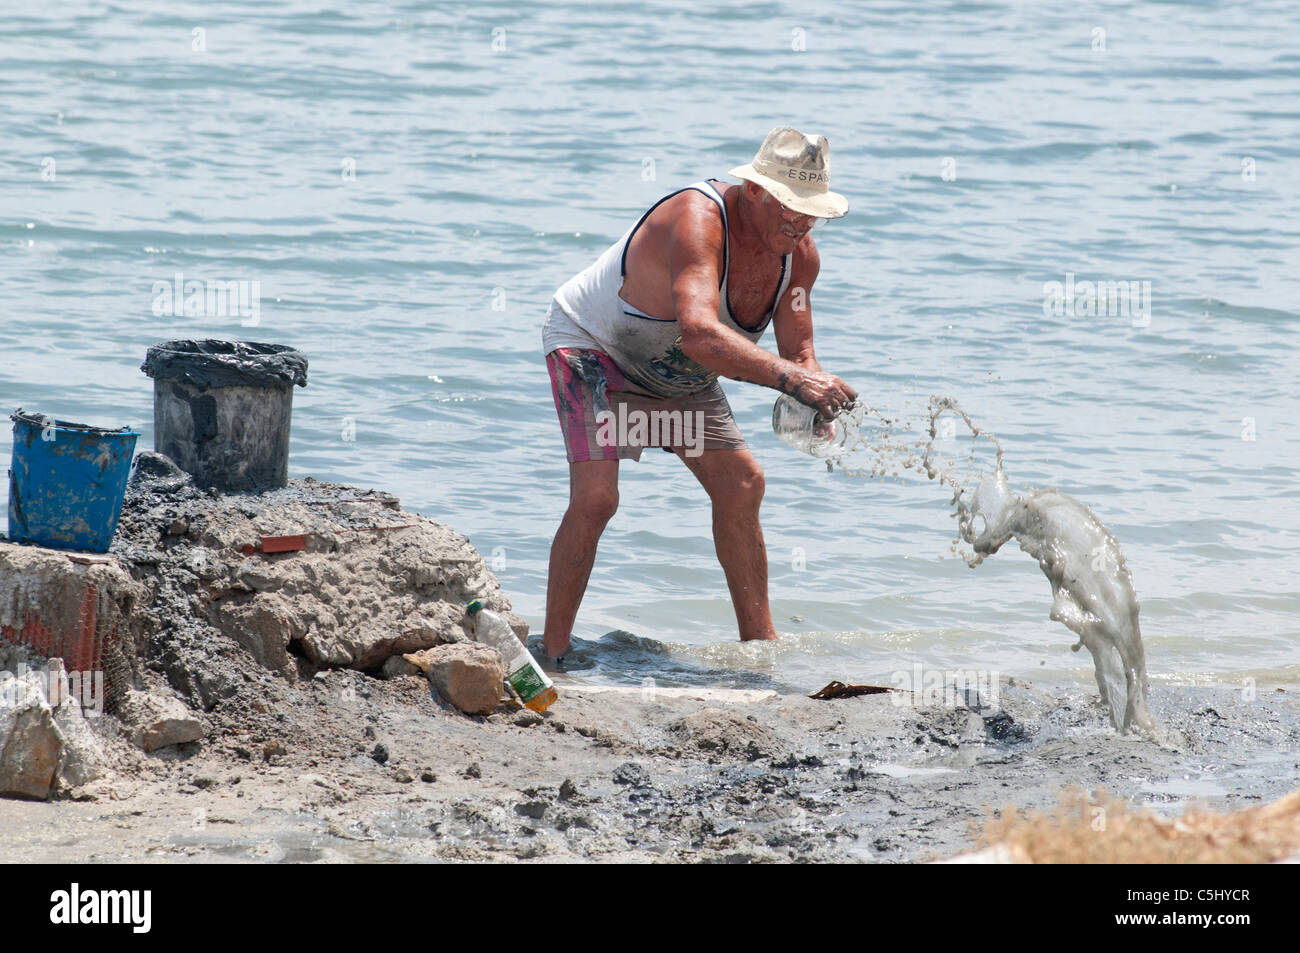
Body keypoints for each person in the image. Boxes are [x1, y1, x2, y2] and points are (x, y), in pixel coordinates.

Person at [540, 126, 858, 660]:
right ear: (754, 190)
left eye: (811, 210)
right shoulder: (698, 219)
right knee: (597, 499)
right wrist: (792, 380)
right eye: (789, 204)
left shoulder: (801, 258)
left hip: (679, 366)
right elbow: (701, 332)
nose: (801, 222)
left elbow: (799, 354)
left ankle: (759, 652)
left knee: (742, 485)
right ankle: (552, 656)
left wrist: (813, 400)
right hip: (595, 350)